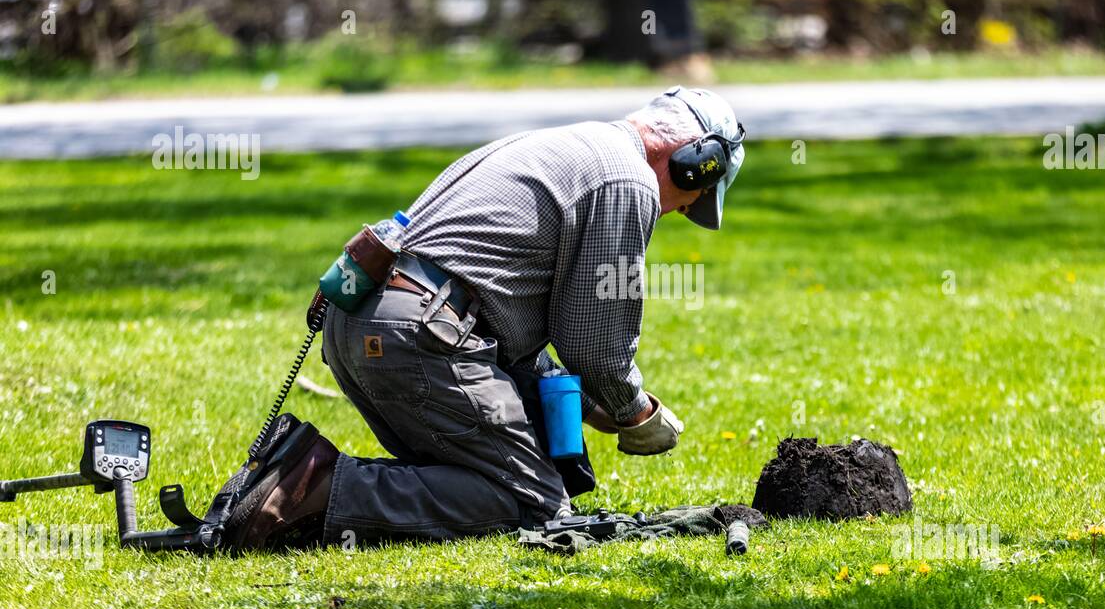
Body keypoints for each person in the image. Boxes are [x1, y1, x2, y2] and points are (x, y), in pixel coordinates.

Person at [222, 87, 746, 551]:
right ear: (695, 162)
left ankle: (287, 484)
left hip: (366, 321)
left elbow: (535, 334)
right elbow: (597, 344)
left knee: (466, 474)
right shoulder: (627, 183)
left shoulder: (577, 147)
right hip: (421, 333)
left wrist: (594, 407)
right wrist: (635, 412)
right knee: (529, 504)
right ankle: (313, 484)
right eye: (694, 197)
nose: (680, 210)